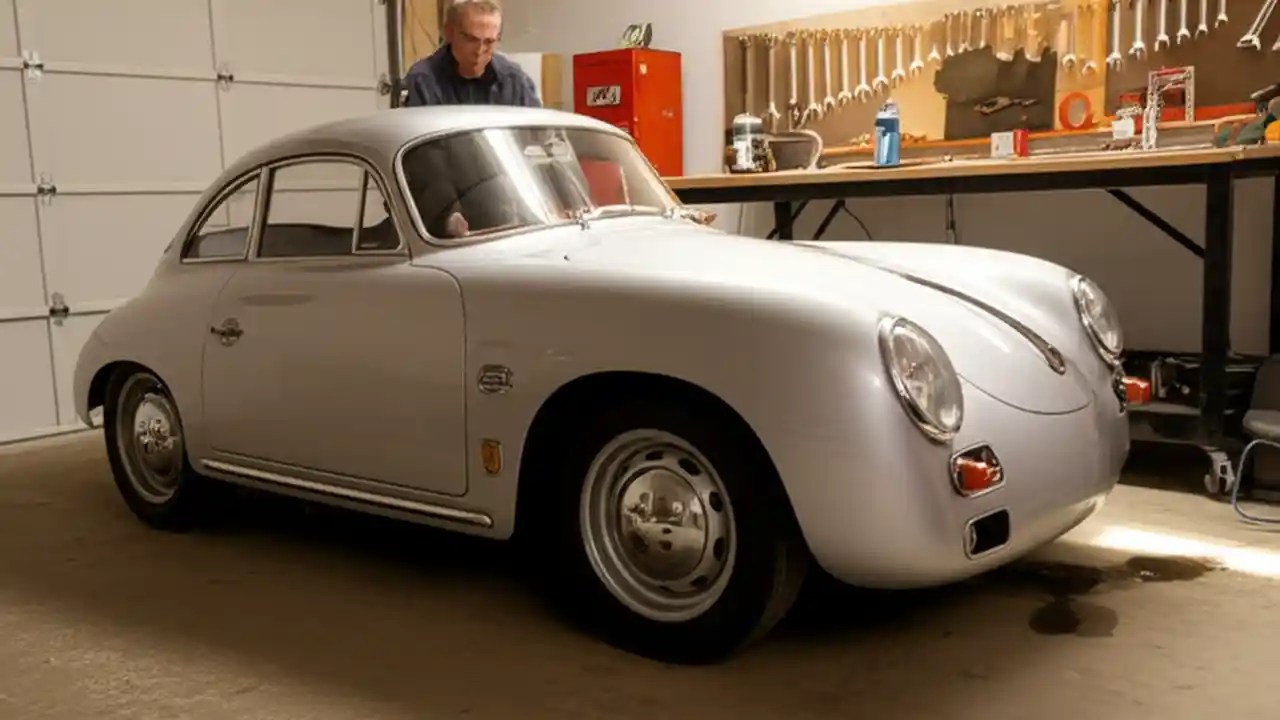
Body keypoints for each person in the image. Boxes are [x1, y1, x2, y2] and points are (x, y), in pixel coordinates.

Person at [402, 0, 541, 108]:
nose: (479, 51)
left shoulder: (515, 81)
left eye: (489, 42)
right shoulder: (423, 80)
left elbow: (538, 136)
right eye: (471, 40)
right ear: (449, 33)